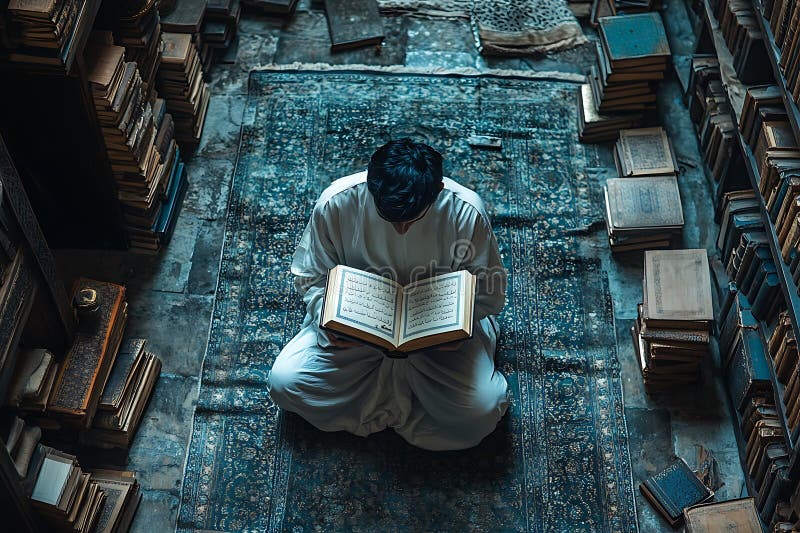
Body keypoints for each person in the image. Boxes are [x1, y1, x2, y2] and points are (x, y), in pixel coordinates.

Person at [268, 138, 509, 451]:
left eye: (413, 218)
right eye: (389, 218)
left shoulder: (466, 211)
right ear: (371, 186)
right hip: (355, 342)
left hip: (439, 348)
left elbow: (488, 292)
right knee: (285, 383)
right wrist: (328, 321)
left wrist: (458, 332)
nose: (401, 229)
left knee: (482, 409)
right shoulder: (336, 202)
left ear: (437, 191)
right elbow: (311, 276)